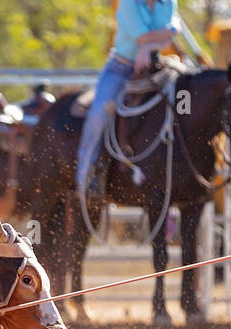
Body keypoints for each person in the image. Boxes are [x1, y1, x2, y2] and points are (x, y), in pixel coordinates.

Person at [76, 0, 179, 204]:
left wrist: (150, 44)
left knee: (184, 103)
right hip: (120, 69)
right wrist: (167, 32)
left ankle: (176, 168)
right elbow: (156, 36)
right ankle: (85, 174)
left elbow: (165, 40)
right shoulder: (128, 3)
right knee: (98, 114)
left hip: (154, 66)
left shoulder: (168, 2)